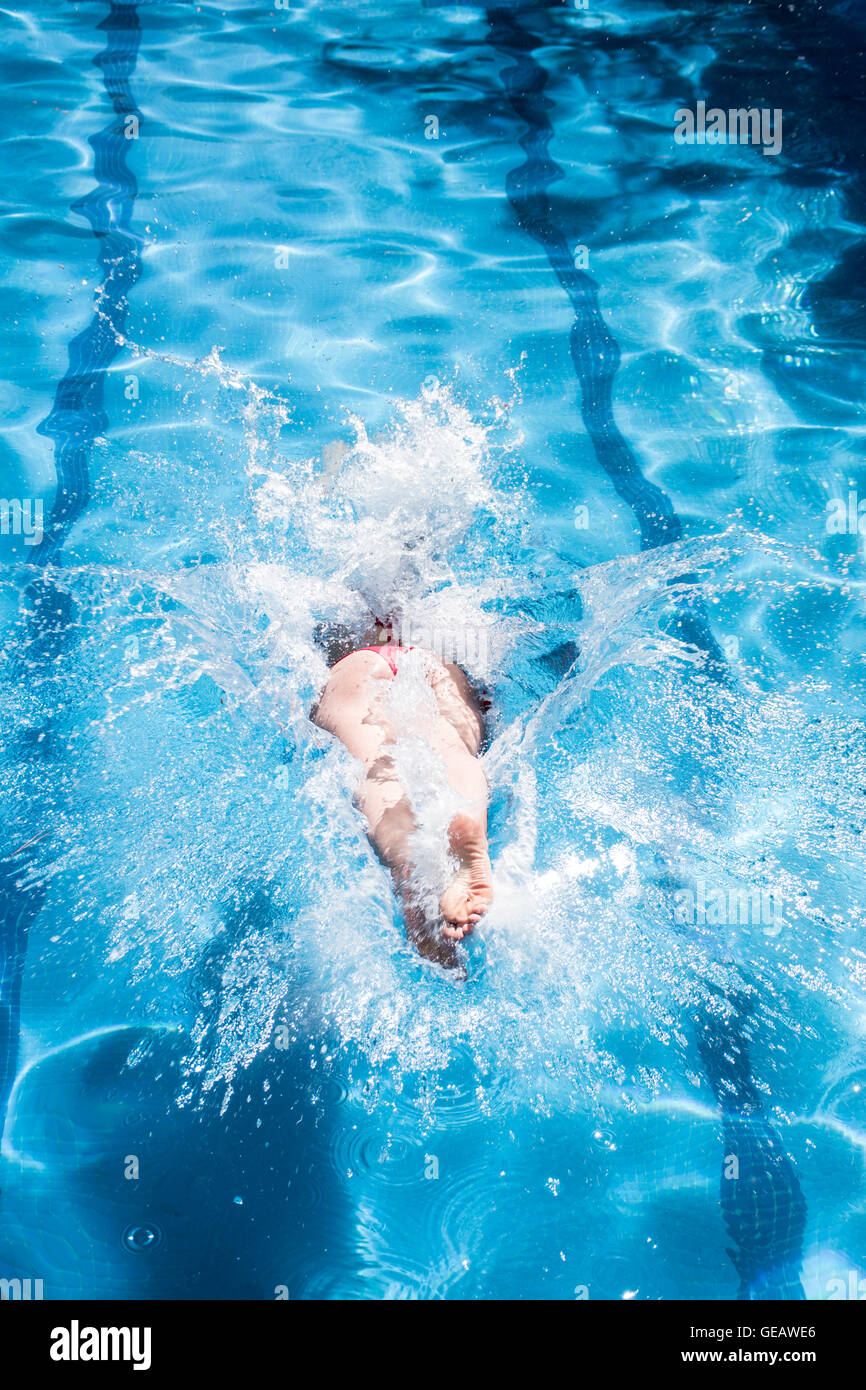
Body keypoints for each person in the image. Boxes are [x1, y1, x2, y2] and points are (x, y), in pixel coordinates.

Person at [312, 634, 493, 965]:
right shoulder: (439, 625)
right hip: (436, 660)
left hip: (358, 664)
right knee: (452, 745)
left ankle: (408, 860)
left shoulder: (341, 621)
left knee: (373, 760)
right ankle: (470, 819)